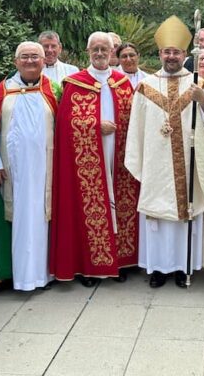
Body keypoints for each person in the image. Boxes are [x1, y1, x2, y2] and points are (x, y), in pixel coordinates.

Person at [125, 17, 204, 288]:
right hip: (156, 161)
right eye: (167, 51)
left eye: (176, 52)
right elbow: (136, 127)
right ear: (160, 54)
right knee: (158, 215)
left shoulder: (199, 83)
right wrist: (139, 157)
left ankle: (182, 266)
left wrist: (203, 103)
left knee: (183, 214)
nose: (171, 56)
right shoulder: (145, 86)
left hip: (187, 163)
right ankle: (157, 268)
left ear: (182, 54)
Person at [50, 32, 139, 285]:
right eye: (95, 49)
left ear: (112, 52)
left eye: (104, 49)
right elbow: (65, 124)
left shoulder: (122, 83)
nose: (100, 54)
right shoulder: (75, 83)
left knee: (121, 206)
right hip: (88, 160)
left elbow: (135, 119)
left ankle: (120, 261)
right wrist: (93, 126)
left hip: (119, 157)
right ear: (88, 51)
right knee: (88, 208)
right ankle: (89, 267)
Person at [0, 42, 59, 291]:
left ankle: (45, 274)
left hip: (45, 169)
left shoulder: (53, 89)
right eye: (25, 57)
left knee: (44, 218)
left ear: (44, 61)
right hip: (14, 172)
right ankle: (20, 276)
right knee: (19, 220)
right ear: (15, 61)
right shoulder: (2, 91)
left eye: (35, 57)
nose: (30, 61)